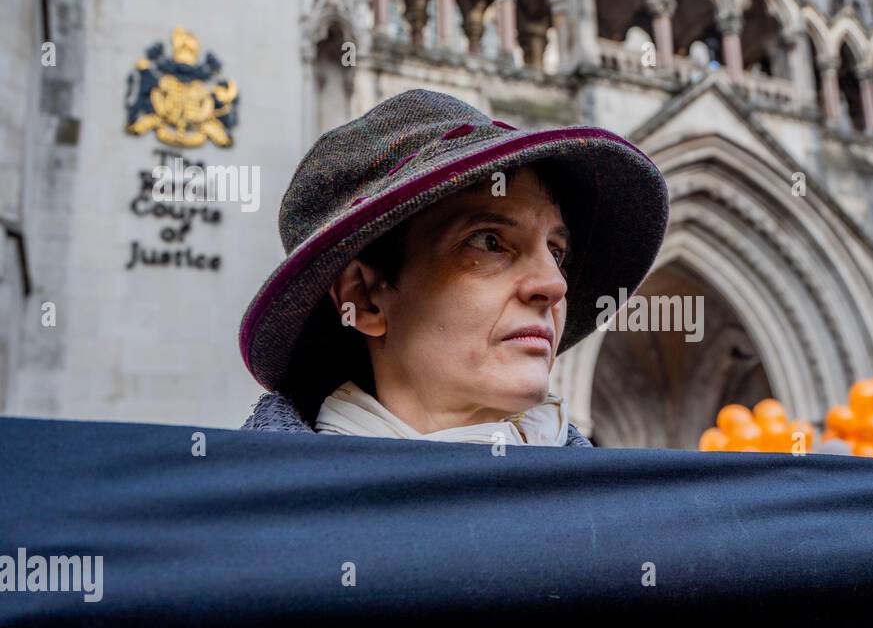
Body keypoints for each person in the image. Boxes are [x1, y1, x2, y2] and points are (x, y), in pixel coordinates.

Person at [238, 89, 669, 446]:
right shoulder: (242, 540)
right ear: (363, 298)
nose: (554, 285)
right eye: (490, 242)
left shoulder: (633, 536)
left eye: (557, 252)